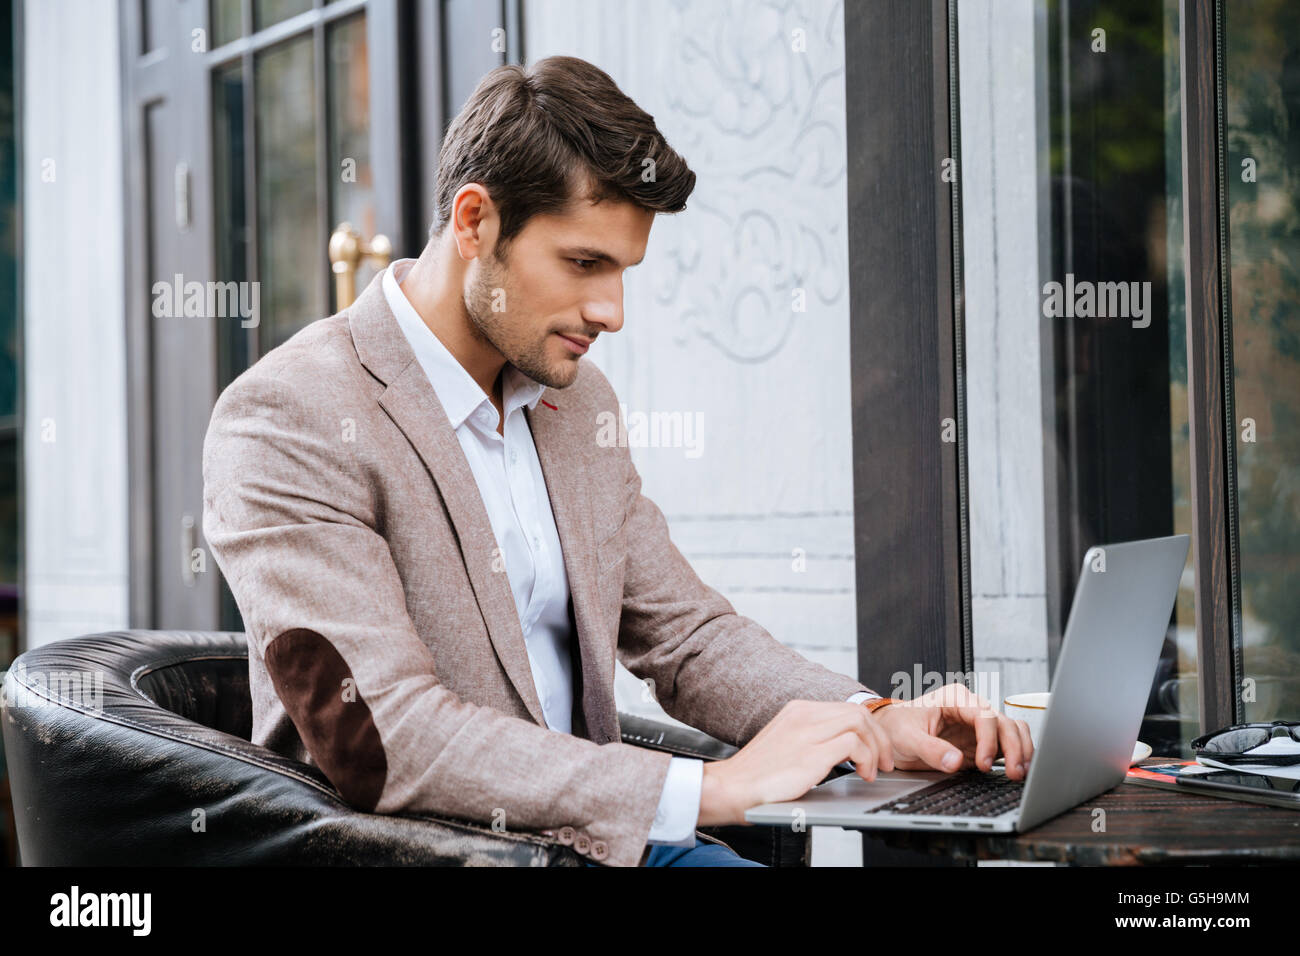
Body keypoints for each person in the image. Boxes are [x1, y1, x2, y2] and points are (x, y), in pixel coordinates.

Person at [202, 55, 1032, 868]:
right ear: (473, 222)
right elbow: (385, 735)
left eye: (624, 270)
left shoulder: (576, 404)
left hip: (606, 845)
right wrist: (707, 790)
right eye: (583, 263)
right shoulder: (289, 418)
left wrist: (872, 720)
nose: (613, 311)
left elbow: (687, 636)